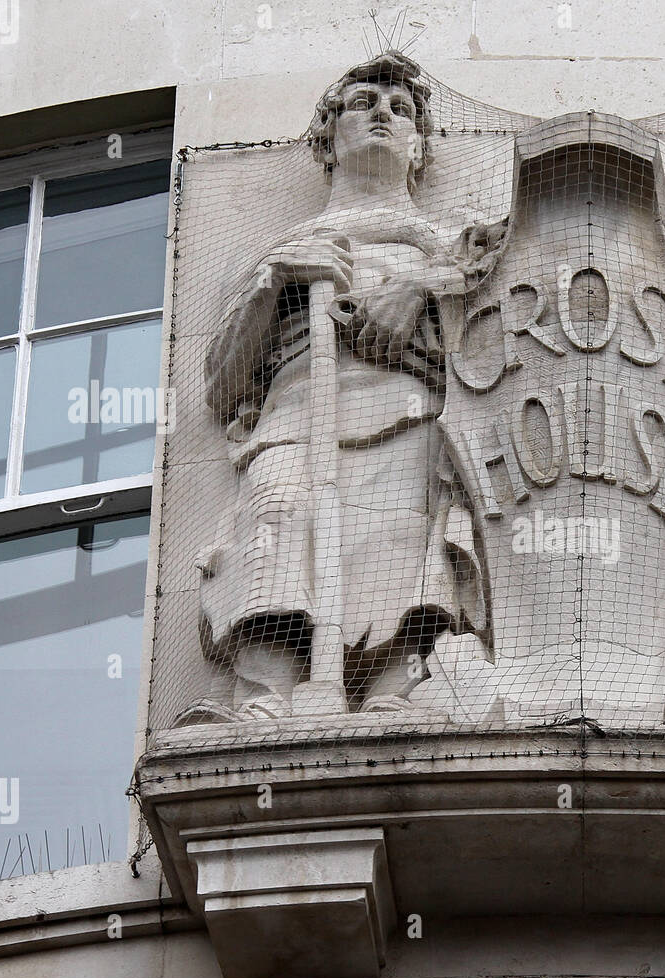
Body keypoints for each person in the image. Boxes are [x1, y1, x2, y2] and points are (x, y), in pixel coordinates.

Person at [180, 52, 484, 723]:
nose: (382, 113)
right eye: (362, 102)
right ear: (328, 134)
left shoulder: (446, 246)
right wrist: (276, 283)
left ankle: (394, 691)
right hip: (295, 416)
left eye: (401, 109)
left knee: (403, 536)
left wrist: (420, 290)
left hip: (409, 412)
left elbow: (490, 358)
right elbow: (223, 386)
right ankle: (267, 695)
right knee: (279, 514)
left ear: (419, 147)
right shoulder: (279, 246)